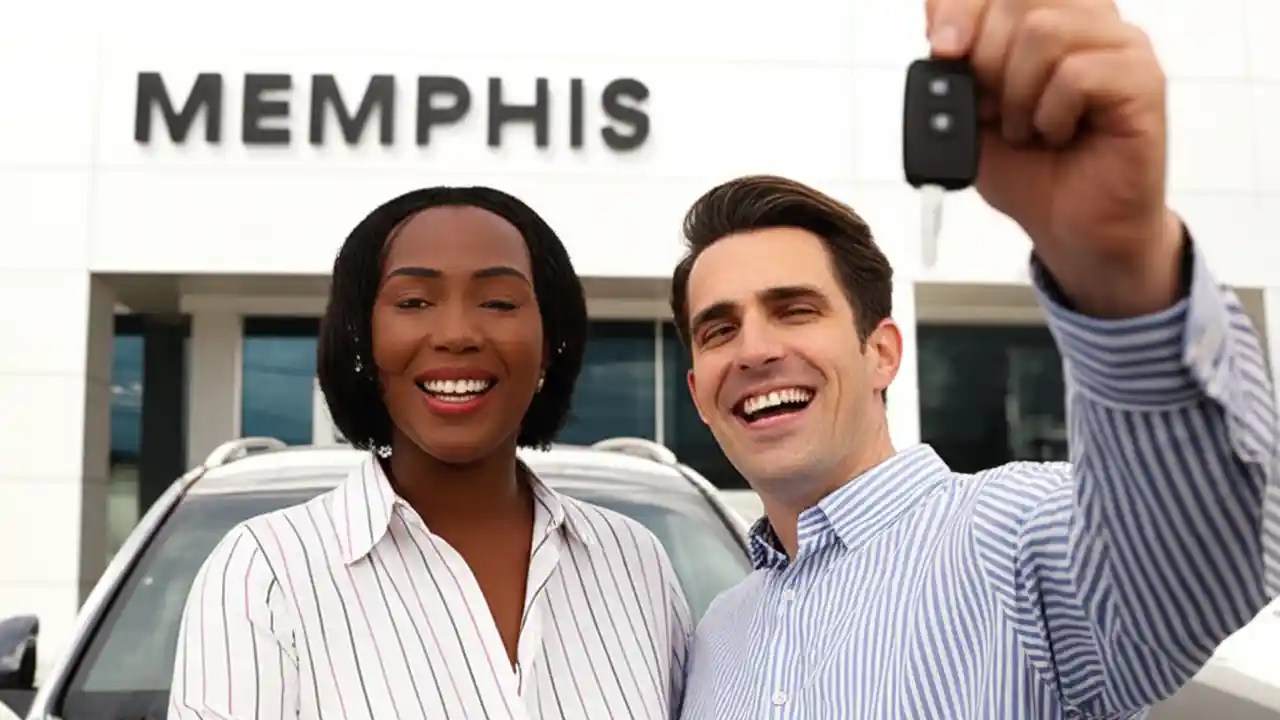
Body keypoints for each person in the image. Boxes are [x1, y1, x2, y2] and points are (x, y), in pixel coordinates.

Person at [671, 1, 1280, 718]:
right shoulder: (715, 638)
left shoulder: (1022, 534)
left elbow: (1206, 553)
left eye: (795, 310)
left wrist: (1124, 264)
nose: (754, 350)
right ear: (699, 394)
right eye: (719, 329)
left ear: (882, 353)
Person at [168, 186, 693, 720]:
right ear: (363, 339)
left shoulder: (635, 564)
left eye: (499, 302)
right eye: (413, 302)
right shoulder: (267, 574)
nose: (457, 334)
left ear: (549, 343)